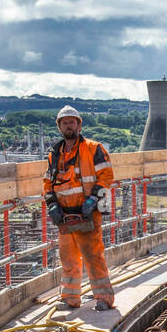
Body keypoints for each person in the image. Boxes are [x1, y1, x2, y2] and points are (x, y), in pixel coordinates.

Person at [43, 106, 115, 310]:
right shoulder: (55, 154)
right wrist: (52, 205)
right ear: (59, 126)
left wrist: (93, 199)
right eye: (64, 123)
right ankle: (70, 298)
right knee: (68, 258)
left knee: (93, 256)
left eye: (71, 122)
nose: (68, 126)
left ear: (79, 124)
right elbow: (47, 183)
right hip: (65, 216)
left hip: (87, 213)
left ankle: (103, 299)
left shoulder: (94, 149)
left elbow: (106, 176)